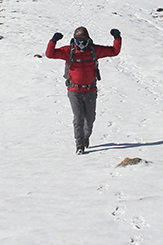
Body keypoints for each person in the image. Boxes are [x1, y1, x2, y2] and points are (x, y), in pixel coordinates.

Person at [46, 26, 122, 154]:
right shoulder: (68, 51)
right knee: (78, 118)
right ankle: (79, 145)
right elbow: (50, 54)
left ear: (88, 39)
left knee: (90, 118)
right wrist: (53, 41)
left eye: (83, 40)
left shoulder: (94, 50)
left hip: (90, 90)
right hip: (74, 90)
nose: (80, 43)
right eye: (78, 40)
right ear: (74, 40)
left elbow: (114, 51)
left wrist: (117, 38)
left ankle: (86, 136)